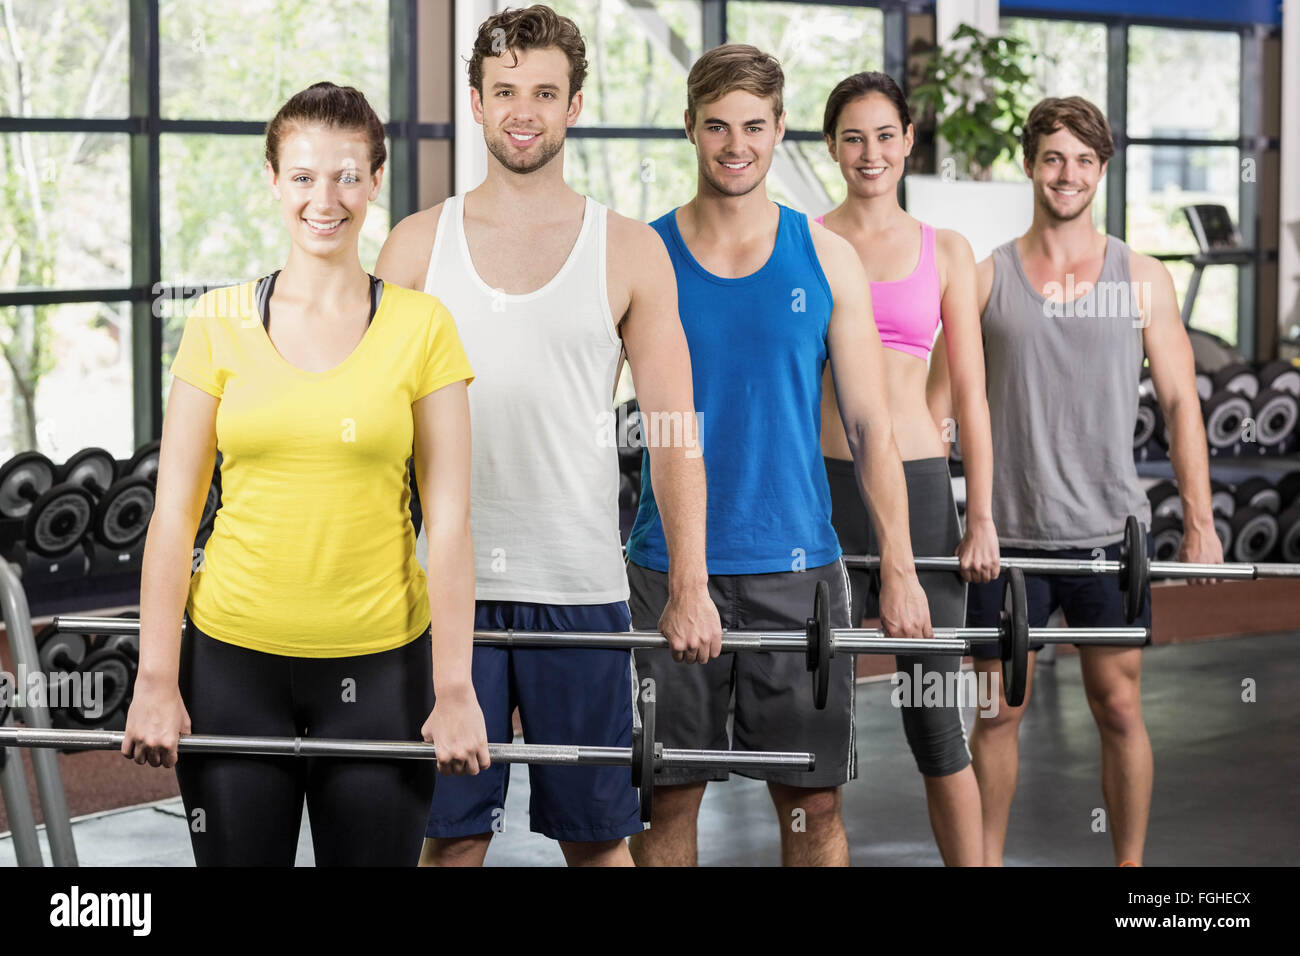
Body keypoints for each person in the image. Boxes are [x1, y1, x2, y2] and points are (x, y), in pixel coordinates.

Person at [376, 4, 718, 868]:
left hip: (580, 586)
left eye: (543, 91)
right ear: (477, 102)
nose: (522, 109)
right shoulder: (415, 249)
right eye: (504, 91)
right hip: (445, 593)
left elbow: (675, 430)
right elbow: (375, 442)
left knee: (600, 845)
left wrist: (690, 584)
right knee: (447, 843)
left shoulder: (630, 251)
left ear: (573, 105)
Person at [123, 82, 489, 866]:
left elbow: (451, 520)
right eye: (303, 176)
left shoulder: (423, 327)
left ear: (376, 181)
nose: (325, 199)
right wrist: (157, 673)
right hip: (230, 666)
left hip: (383, 670)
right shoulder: (217, 321)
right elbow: (174, 517)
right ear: (272, 180)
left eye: (347, 176)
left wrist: (454, 685)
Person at [625, 44, 932, 868]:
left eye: (754, 127)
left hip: (797, 569)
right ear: (690, 128)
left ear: (780, 129)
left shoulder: (826, 257)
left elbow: (871, 426)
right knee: (666, 804)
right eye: (718, 126)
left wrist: (898, 567)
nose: (736, 145)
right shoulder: (643, 257)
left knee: (814, 806)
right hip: (666, 562)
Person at [928, 95, 1224, 866]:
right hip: (1007, 544)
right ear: (1030, 164)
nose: (1068, 174)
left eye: (1085, 160)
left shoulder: (1143, 279)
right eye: (1053, 157)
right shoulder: (988, 280)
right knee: (997, 714)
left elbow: (1184, 403)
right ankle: (983, 863)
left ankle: (1129, 870)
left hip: (1107, 538)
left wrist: (1200, 519)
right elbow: (932, 413)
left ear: (1102, 171)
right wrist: (930, 524)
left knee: (1120, 706)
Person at [816, 72, 998, 867]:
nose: (870, 153)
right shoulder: (803, 239)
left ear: (908, 141)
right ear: (830, 146)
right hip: (822, 488)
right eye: (853, 137)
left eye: (885, 135)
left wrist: (981, 516)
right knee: (820, 726)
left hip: (923, 489)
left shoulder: (947, 251)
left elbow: (975, 401)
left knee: (935, 719)